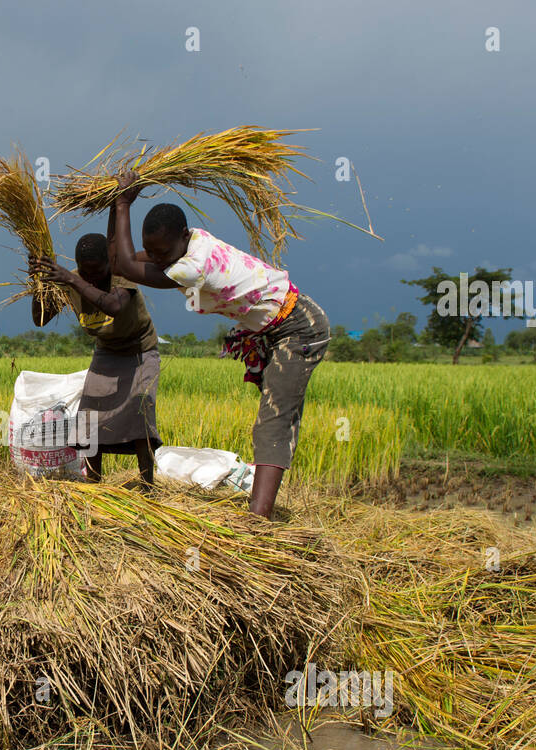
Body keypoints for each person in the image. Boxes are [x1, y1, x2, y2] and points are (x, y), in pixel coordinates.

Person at [108, 172, 329, 519]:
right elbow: (121, 260)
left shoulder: (194, 267)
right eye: (152, 252)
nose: (157, 258)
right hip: (271, 328)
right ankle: (261, 507)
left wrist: (122, 203)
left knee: (274, 418)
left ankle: (257, 521)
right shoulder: (191, 241)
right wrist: (116, 207)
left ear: (182, 237)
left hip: (299, 328)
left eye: (162, 253)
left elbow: (123, 263)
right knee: (280, 412)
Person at [30, 213, 161, 486]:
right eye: (85, 272)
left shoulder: (120, 274)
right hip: (108, 351)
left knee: (140, 413)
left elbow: (113, 306)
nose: (91, 278)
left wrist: (73, 280)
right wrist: (39, 284)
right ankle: (94, 485)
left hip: (139, 350)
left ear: (109, 263)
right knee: (89, 418)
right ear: (78, 266)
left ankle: (148, 486)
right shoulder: (71, 281)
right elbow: (40, 319)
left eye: (97, 272)